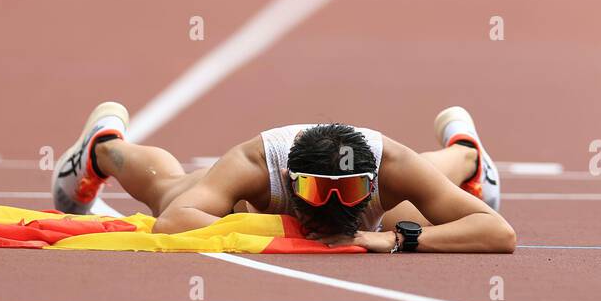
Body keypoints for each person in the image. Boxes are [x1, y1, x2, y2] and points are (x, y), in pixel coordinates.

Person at [51, 104, 514, 253]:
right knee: (172, 189)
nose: (333, 202)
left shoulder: (391, 165)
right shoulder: (255, 163)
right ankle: (104, 147)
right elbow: (172, 222)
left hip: (396, 181)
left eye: (350, 191)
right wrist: (263, 226)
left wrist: (397, 238)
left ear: (370, 184)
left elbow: (498, 232)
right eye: (316, 190)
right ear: (292, 181)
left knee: (426, 194)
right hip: (261, 193)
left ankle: (467, 155)